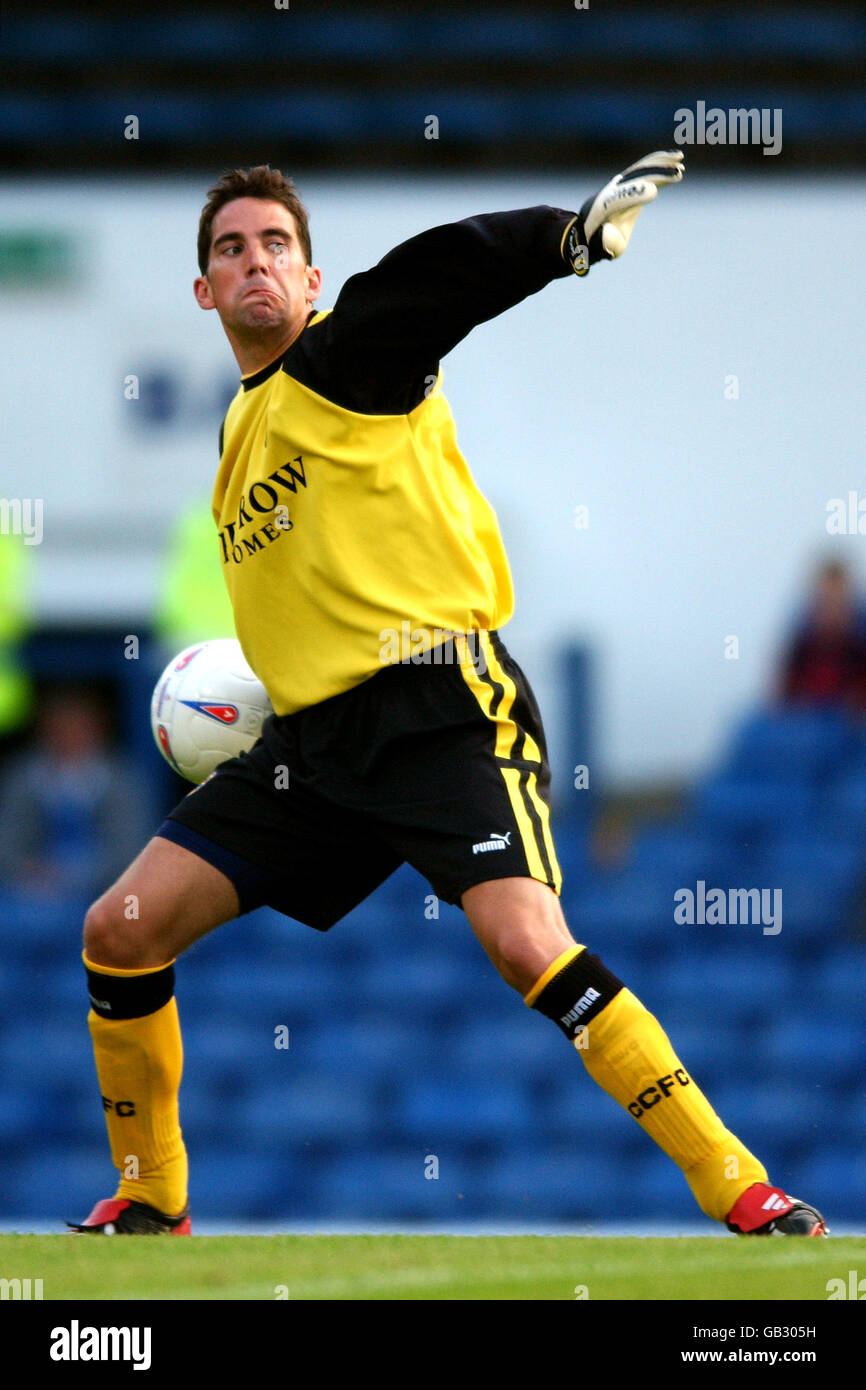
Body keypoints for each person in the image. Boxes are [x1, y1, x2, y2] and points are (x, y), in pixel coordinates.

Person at [72, 157, 825, 1238]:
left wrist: (564, 240)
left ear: (309, 274)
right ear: (204, 291)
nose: (254, 262)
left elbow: (436, 277)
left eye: (275, 244)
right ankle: (151, 1195)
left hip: (438, 702)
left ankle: (738, 1186)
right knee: (121, 927)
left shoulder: (342, 361)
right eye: (230, 248)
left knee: (526, 944)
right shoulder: (240, 435)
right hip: (312, 745)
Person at [777, 559, 866, 713]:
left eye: (837, 602)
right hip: (806, 720)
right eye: (826, 600)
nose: (831, 610)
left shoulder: (859, 645)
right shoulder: (802, 644)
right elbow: (783, 694)